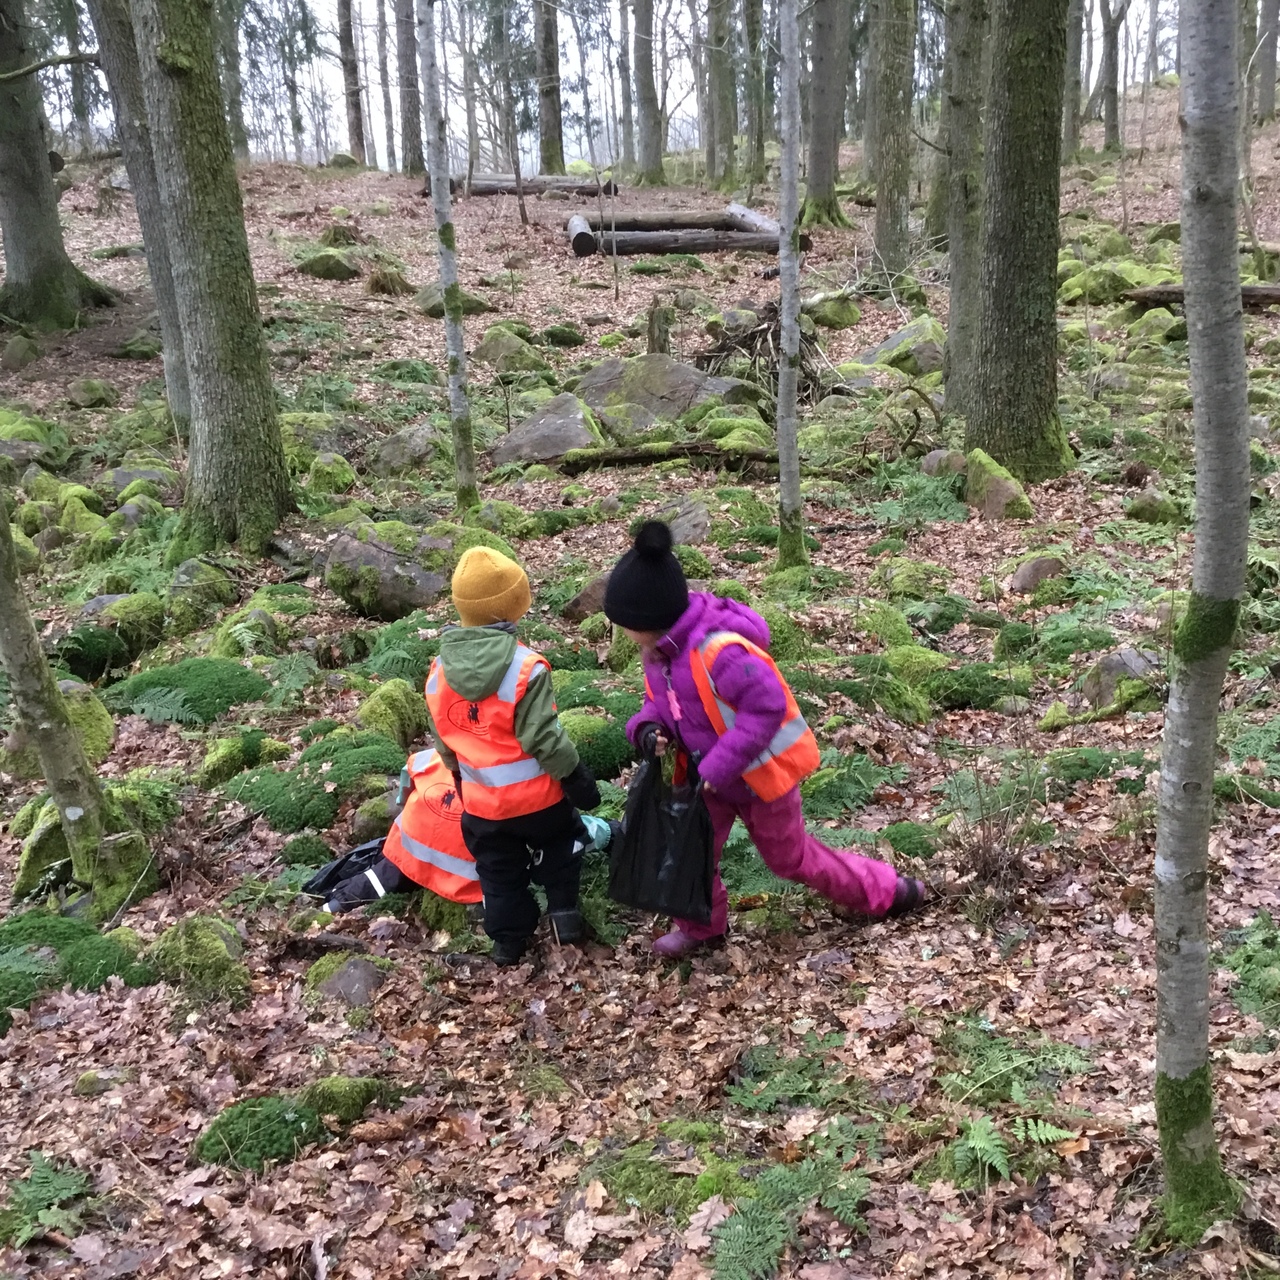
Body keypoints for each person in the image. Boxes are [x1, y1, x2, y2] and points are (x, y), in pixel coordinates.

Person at [604, 520, 926, 958]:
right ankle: (702, 929)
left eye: (626, 625)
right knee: (692, 853)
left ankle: (885, 890)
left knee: (790, 860)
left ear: (653, 620)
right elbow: (656, 702)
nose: (623, 635)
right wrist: (645, 729)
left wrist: (720, 766)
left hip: (759, 779)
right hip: (703, 784)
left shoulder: (722, 653)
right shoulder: (659, 655)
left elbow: (767, 708)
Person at [425, 544, 603, 966]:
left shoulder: (438, 670)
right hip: (540, 801)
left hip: (483, 808)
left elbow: (443, 738)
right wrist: (576, 776)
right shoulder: (526, 668)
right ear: (513, 607)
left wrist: (458, 777)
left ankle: (508, 944)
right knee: (562, 849)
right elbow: (544, 736)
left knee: (499, 875)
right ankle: (564, 919)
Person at [319, 746, 616, 917]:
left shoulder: (430, 756)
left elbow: (403, 793)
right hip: (468, 876)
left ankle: (329, 909)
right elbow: (563, 830)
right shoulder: (520, 783)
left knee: (379, 878)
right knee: (504, 884)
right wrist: (609, 832)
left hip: (408, 849)